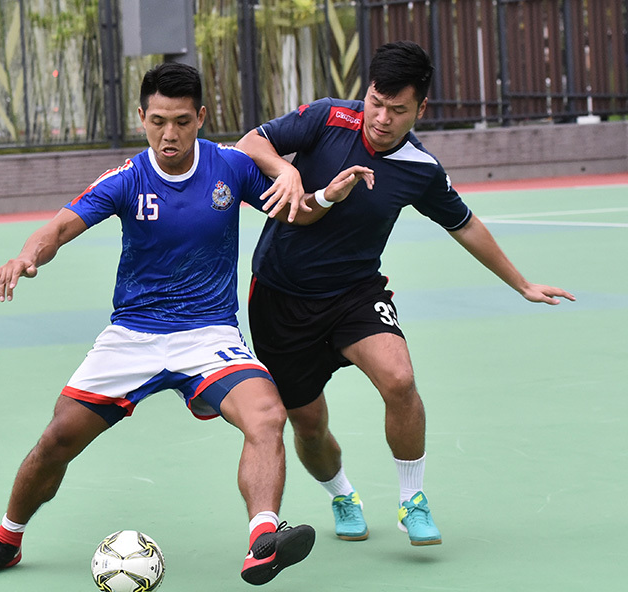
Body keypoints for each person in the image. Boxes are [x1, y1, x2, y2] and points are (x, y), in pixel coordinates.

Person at [0, 63, 368, 585]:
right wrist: (25, 255)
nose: (168, 134)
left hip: (208, 334)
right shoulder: (128, 178)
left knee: (267, 415)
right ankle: (7, 538)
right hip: (133, 334)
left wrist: (327, 196)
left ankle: (263, 540)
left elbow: (296, 211)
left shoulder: (231, 166)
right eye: (157, 121)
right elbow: (59, 228)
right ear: (141, 118)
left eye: (180, 121)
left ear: (201, 117)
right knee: (58, 438)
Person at [235, 40, 574, 546]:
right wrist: (287, 169)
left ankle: (412, 499)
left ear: (421, 109)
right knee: (309, 425)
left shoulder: (420, 168)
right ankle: (342, 494)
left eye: (397, 110)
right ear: (366, 92)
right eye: (376, 102)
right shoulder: (326, 118)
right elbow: (250, 143)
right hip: (280, 298)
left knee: (399, 379)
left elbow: (464, 224)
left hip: (354, 292)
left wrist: (521, 283)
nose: (382, 118)